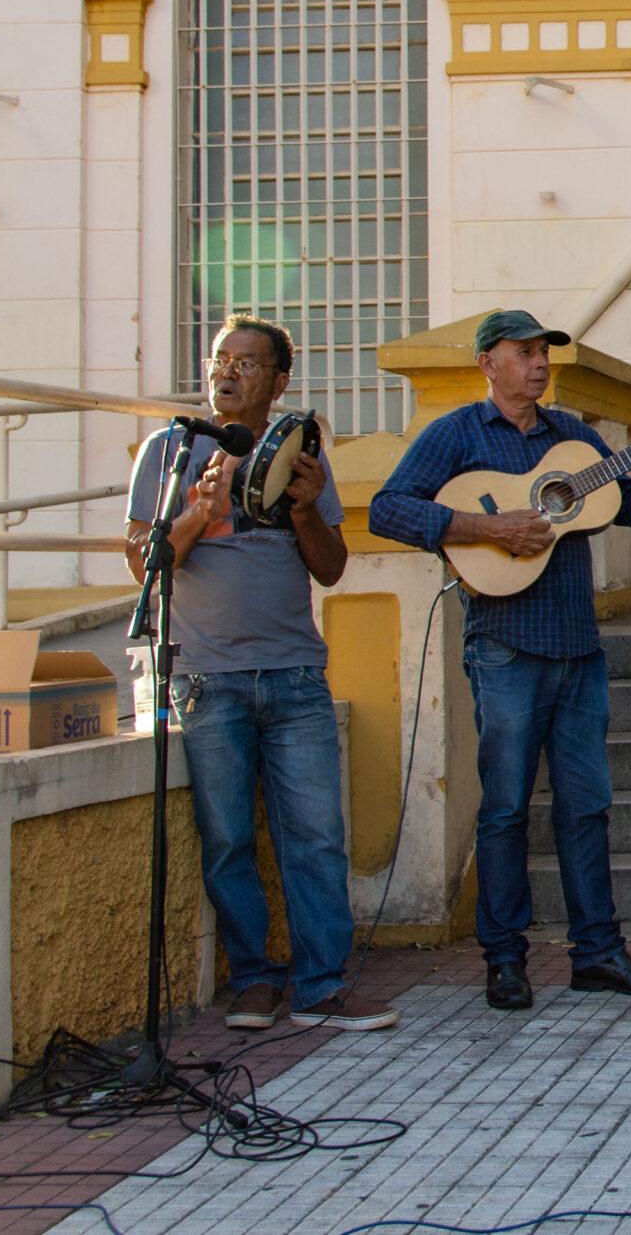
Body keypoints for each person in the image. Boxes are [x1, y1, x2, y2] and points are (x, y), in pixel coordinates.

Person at [368, 309, 631, 1013]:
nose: (539, 364)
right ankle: (506, 960)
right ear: (488, 362)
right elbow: (387, 509)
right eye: (524, 353)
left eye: (544, 353)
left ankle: (598, 954)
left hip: (578, 646)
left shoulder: (574, 438)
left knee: (588, 806)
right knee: (506, 808)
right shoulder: (456, 434)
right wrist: (485, 525)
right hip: (505, 644)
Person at [126, 314, 395, 1033]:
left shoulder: (301, 451)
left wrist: (306, 509)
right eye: (222, 359)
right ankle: (252, 978)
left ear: (279, 380)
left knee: (314, 835)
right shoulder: (170, 449)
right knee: (228, 839)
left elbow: (332, 566)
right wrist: (196, 513)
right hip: (206, 678)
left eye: (248, 363)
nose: (230, 372)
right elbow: (141, 562)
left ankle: (320, 986)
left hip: (294, 676)